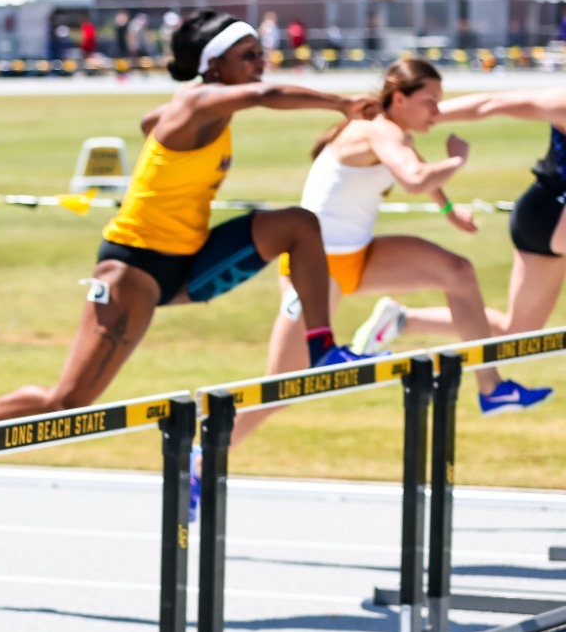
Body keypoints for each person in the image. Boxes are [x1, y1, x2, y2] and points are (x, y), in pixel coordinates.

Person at [0, 10, 379, 433]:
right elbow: (263, 96)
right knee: (67, 402)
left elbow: (149, 122)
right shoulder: (199, 100)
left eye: (260, 53)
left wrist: (166, 128)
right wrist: (341, 103)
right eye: (248, 55)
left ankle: (322, 348)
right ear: (215, 65)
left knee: (299, 225)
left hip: (190, 261)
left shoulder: (199, 107)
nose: (260, 63)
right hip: (135, 268)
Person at [233, 60, 550, 444]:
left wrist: (449, 211)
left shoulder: (396, 135)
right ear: (399, 99)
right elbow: (416, 180)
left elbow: (416, 171)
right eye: (430, 100)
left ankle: (492, 389)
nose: (437, 110)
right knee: (282, 388)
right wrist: (457, 160)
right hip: (315, 271)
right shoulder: (376, 131)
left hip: (358, 258)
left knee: (458, 272)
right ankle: (203, 454)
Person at [393, 87, 566, 362]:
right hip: (548, 214)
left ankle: (402, 321)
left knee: (519, 336)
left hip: (544, 220)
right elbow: (491, 103)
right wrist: (403, 116)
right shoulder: (562, 103)